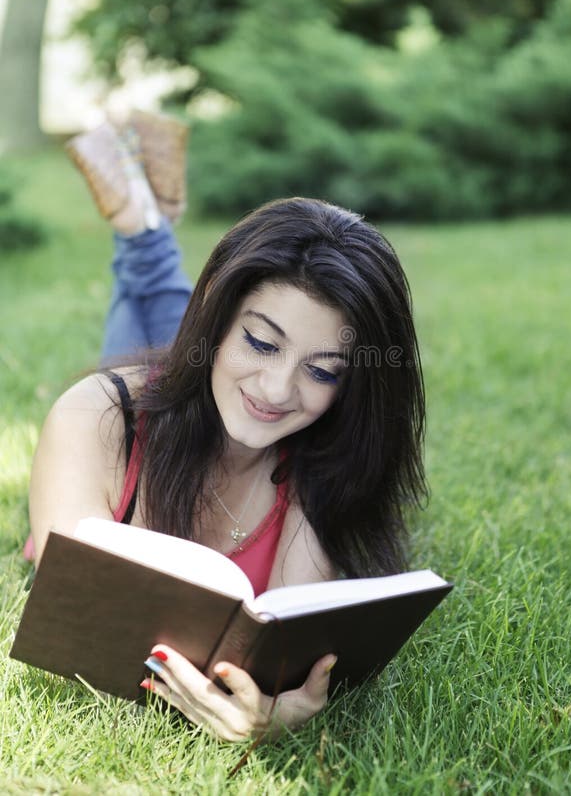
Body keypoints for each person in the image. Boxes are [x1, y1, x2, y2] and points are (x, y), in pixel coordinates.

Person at [27, 116, 427, 742]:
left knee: (193, 357)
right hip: (155, 409)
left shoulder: (322, 466)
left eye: (323, 371)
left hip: (204, 368)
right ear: (220, 315)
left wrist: (276, 715)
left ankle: (145, 218)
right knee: (157, 357)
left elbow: (286, 663)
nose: (278, 389)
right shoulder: (97, 422)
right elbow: (75, 615)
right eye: (262, 342)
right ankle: (141, 227)